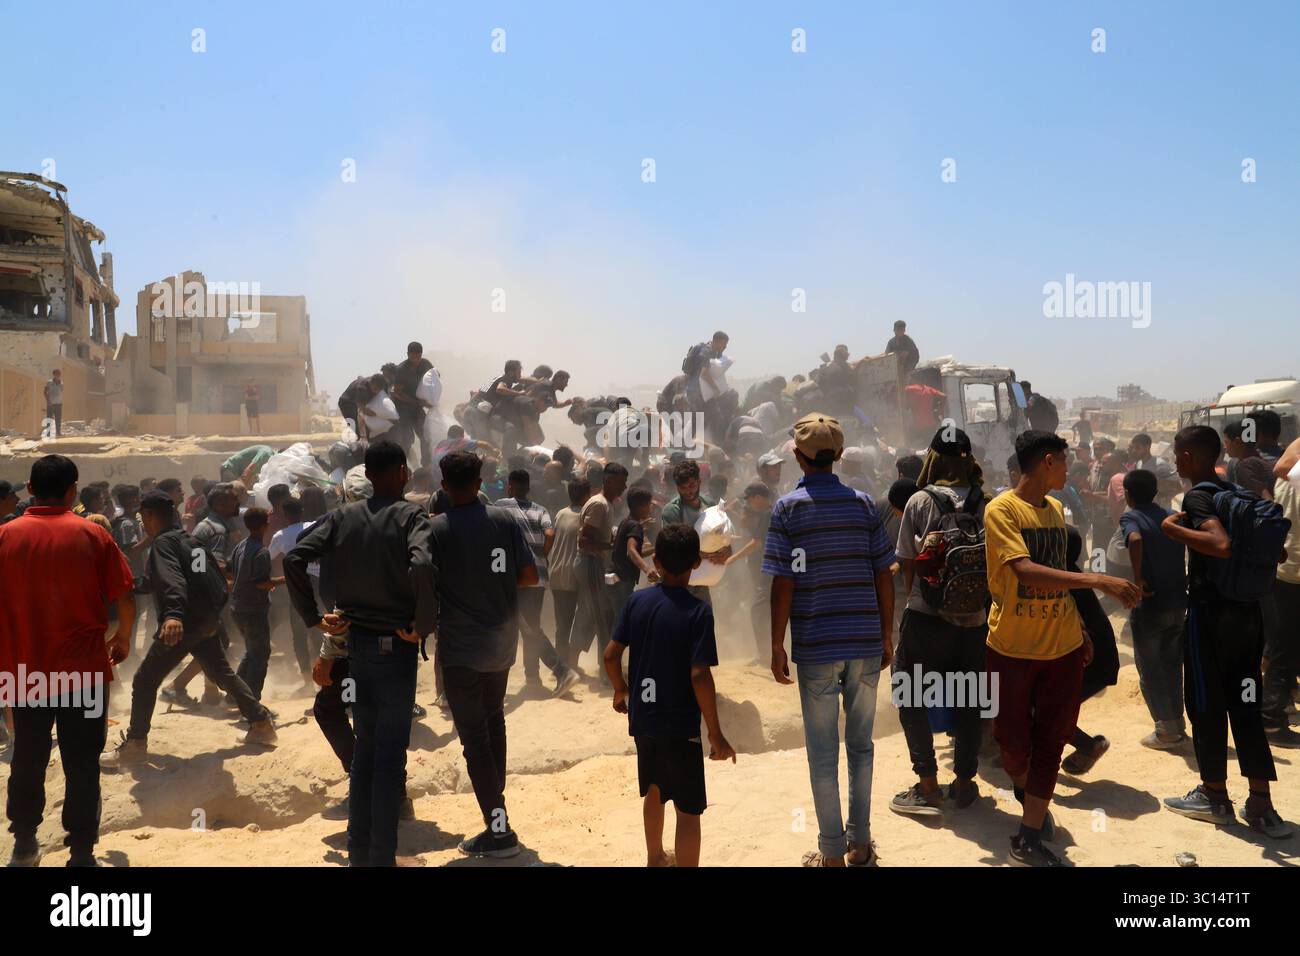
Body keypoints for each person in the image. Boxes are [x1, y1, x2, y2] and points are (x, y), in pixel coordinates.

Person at [982, 430, 1139, 866]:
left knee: (1051, 740)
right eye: (1064, 462)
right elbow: (1027, 572)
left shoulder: (1054, 509)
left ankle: (1028, 835)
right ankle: (1025, 788)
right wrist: (1097, 578)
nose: (1069, 470)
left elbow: (1056, 577)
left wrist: (1082, 631)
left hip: (1063, 647)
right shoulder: (1002, 510)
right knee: (1010, 742)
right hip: (1012, 647)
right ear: (1047, 461)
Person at [284, 440, 435, 867]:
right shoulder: (411, 516)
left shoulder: (342, 516)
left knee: (366, 753)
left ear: (367, 477)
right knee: (387, 758)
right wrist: (423, 625)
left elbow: (296, 557)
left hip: (357, 649)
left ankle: (359, 853)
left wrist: (313, 618)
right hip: (396, 649)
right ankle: (383, 858)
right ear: (403, 472)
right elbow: (422, 565)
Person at [763, 412, 896, 867]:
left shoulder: (788, 509)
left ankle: (832, 853)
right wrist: (886, 636)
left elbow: (784, 582)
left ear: (798, 458)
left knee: (823, 752)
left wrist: (777, 643)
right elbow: (884, 574)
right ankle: (861, 846)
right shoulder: (863, 504)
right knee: (861, 747)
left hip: (817, 646)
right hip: (863, 642)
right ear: (839, 455)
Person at [0, 455, 135, 867]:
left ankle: (24, 843)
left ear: (29, 488)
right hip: (85, 675)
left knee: (27, 754)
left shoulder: (5, 536)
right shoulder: (93, 535)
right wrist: (123, 636)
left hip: (25, 673)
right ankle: (80, 851)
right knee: (82, 761)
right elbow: (124, 595)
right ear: (73, 489)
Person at [1159, 425, 1291, 837]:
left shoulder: (1199, 497)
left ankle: (1214, 796)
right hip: (1248, 618)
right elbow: (1279, 550)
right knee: (1245, 704)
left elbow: (1218, 545)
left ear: (1186, 457)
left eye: (1179, 454)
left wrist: (1172, 529)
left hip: (1210, 618)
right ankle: (1261, 804)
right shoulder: (1237, 494)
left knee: (1206, 704)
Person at [101, 492, 277, 772]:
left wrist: (173, 615)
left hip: (182, 624)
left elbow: (174, 580)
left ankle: (135, 745)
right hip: (205, 622)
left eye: (144, 518)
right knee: (222, 673)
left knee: (145, 680)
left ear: (148, 516)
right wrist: (136, 585)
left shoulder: (162, 544)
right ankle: (261, 723)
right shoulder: (191, 540)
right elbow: (212, 580)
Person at [426, 450, 537, 858]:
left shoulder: (436, 529)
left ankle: (500, 830)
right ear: (480, 482)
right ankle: (496, 804)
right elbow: (528, 575)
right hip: (501, 644)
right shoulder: (504, 520)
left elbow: (425, 584)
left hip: (460, 650)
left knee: (474, 739)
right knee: (494, 722)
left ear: (443, 486)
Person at [604, 523, 735, 867]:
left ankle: (655, 858)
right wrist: (716, 732)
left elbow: (610, 654)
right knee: (689, 808)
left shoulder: (637, 602)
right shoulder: (698, 611)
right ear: (696, 563)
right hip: (681, 724)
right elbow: (699, 675)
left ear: (657, 560)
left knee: (654, 789)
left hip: (644, 719)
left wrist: (620, 689)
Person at [888, 427, 990, 819]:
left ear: (932, 458)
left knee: (911, 696)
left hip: (926, 619)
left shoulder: (918, 500)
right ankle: (964, 783)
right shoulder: (987, 500)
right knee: (969, 699)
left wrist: (921, 602)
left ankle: (928, 785)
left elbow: (908, 563)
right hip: (974, 620)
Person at [1118, 468, 1189, 748]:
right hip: (1177, 600)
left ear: (1128, 494)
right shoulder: (1168, 516)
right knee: (1172, 664)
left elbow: (1135, 540)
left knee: (1150, 667)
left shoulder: (1131, 517)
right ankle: (1177, 723)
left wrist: (1137, 579)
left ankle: (1166, 730)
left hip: (1152, 602)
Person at [494, 469, 579, 696]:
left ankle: (562, 671)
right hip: (539, 576)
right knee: (530, 625)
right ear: (528, 488)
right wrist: (541, 554)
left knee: (527, 628)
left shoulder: (501, 505)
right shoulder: (540, 509)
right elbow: (550, 534)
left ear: (510, 487)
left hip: (515, 576)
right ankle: (532, 676)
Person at [568, 462, 629, 673]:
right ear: (608, 481)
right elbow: (585, 540)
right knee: (600, 617)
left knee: (592, 614)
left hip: (595, 564)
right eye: (621, 482)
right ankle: (606, 671)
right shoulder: (598, 504)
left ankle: (574, 664)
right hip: (590, 563)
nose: (624, 487)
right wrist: (614, 545)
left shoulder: (607, 504)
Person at [1264, 437, 1300, 738]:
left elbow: (1282, 464)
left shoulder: (1288, 478)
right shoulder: (1294, 477)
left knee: (1283, 646)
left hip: (1285, 568)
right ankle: (1273, 717)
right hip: (1295, 571)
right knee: (1284, 649)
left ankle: (1279, 710)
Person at [229, 507, 282, 699]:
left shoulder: (241, 545)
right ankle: (252, 702)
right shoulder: (261, 552)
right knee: (260, 656)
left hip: (238, 607)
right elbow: (262, 583)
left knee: (252, 652)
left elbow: (230, 570)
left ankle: (234, 695)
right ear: (264, 526)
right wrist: (284, 579)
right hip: (253, 610)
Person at [549, 478, 589, 667]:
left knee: (562, 624)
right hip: (572, 576)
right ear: (587, 495)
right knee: (572, 623)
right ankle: (564, 666)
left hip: (556, 573)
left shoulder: (560, 513)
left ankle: (562, 663)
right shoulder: (585, 516)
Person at [611, 485, 658, 620]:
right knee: (622, 622)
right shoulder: (635, 526)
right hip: (624, 580)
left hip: (617, 579)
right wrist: (647, 569)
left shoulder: (626, 522)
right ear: (641, 506)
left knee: (620, 619)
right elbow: (631, 551)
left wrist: (655, 547)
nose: (651, 508)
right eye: (649, 504)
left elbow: (635, 553)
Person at [391, 341, 435, 466]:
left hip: (417, 407)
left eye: (418, 356)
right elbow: (397, 393)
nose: (416, 360)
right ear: (408, 354)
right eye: (413, 357)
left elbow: (435, 376)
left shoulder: (425, 364)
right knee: (407, 440)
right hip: (403, 408)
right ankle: (403, 467)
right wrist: (417, 402)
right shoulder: (401, 370)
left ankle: (426, 464)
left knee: (425, 435)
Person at [1224, 420, 1275, 499]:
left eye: (1226, 442)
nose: (1225, 447)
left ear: (1237, 442)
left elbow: (1266, 498)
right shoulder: (1257, 460)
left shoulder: (1245, 465)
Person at [43, 369, 64, 437]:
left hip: (58, 403)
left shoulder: (61, 383)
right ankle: (48, 433)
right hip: (51, 404)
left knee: (58, 418)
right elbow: (45, 392)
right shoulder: (49, 382)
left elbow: (61, 392)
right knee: (49, 418)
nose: (58, 376)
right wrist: (48, 401)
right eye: (56, 374)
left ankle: (58, 432)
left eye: (59, 374)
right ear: (54, 375)